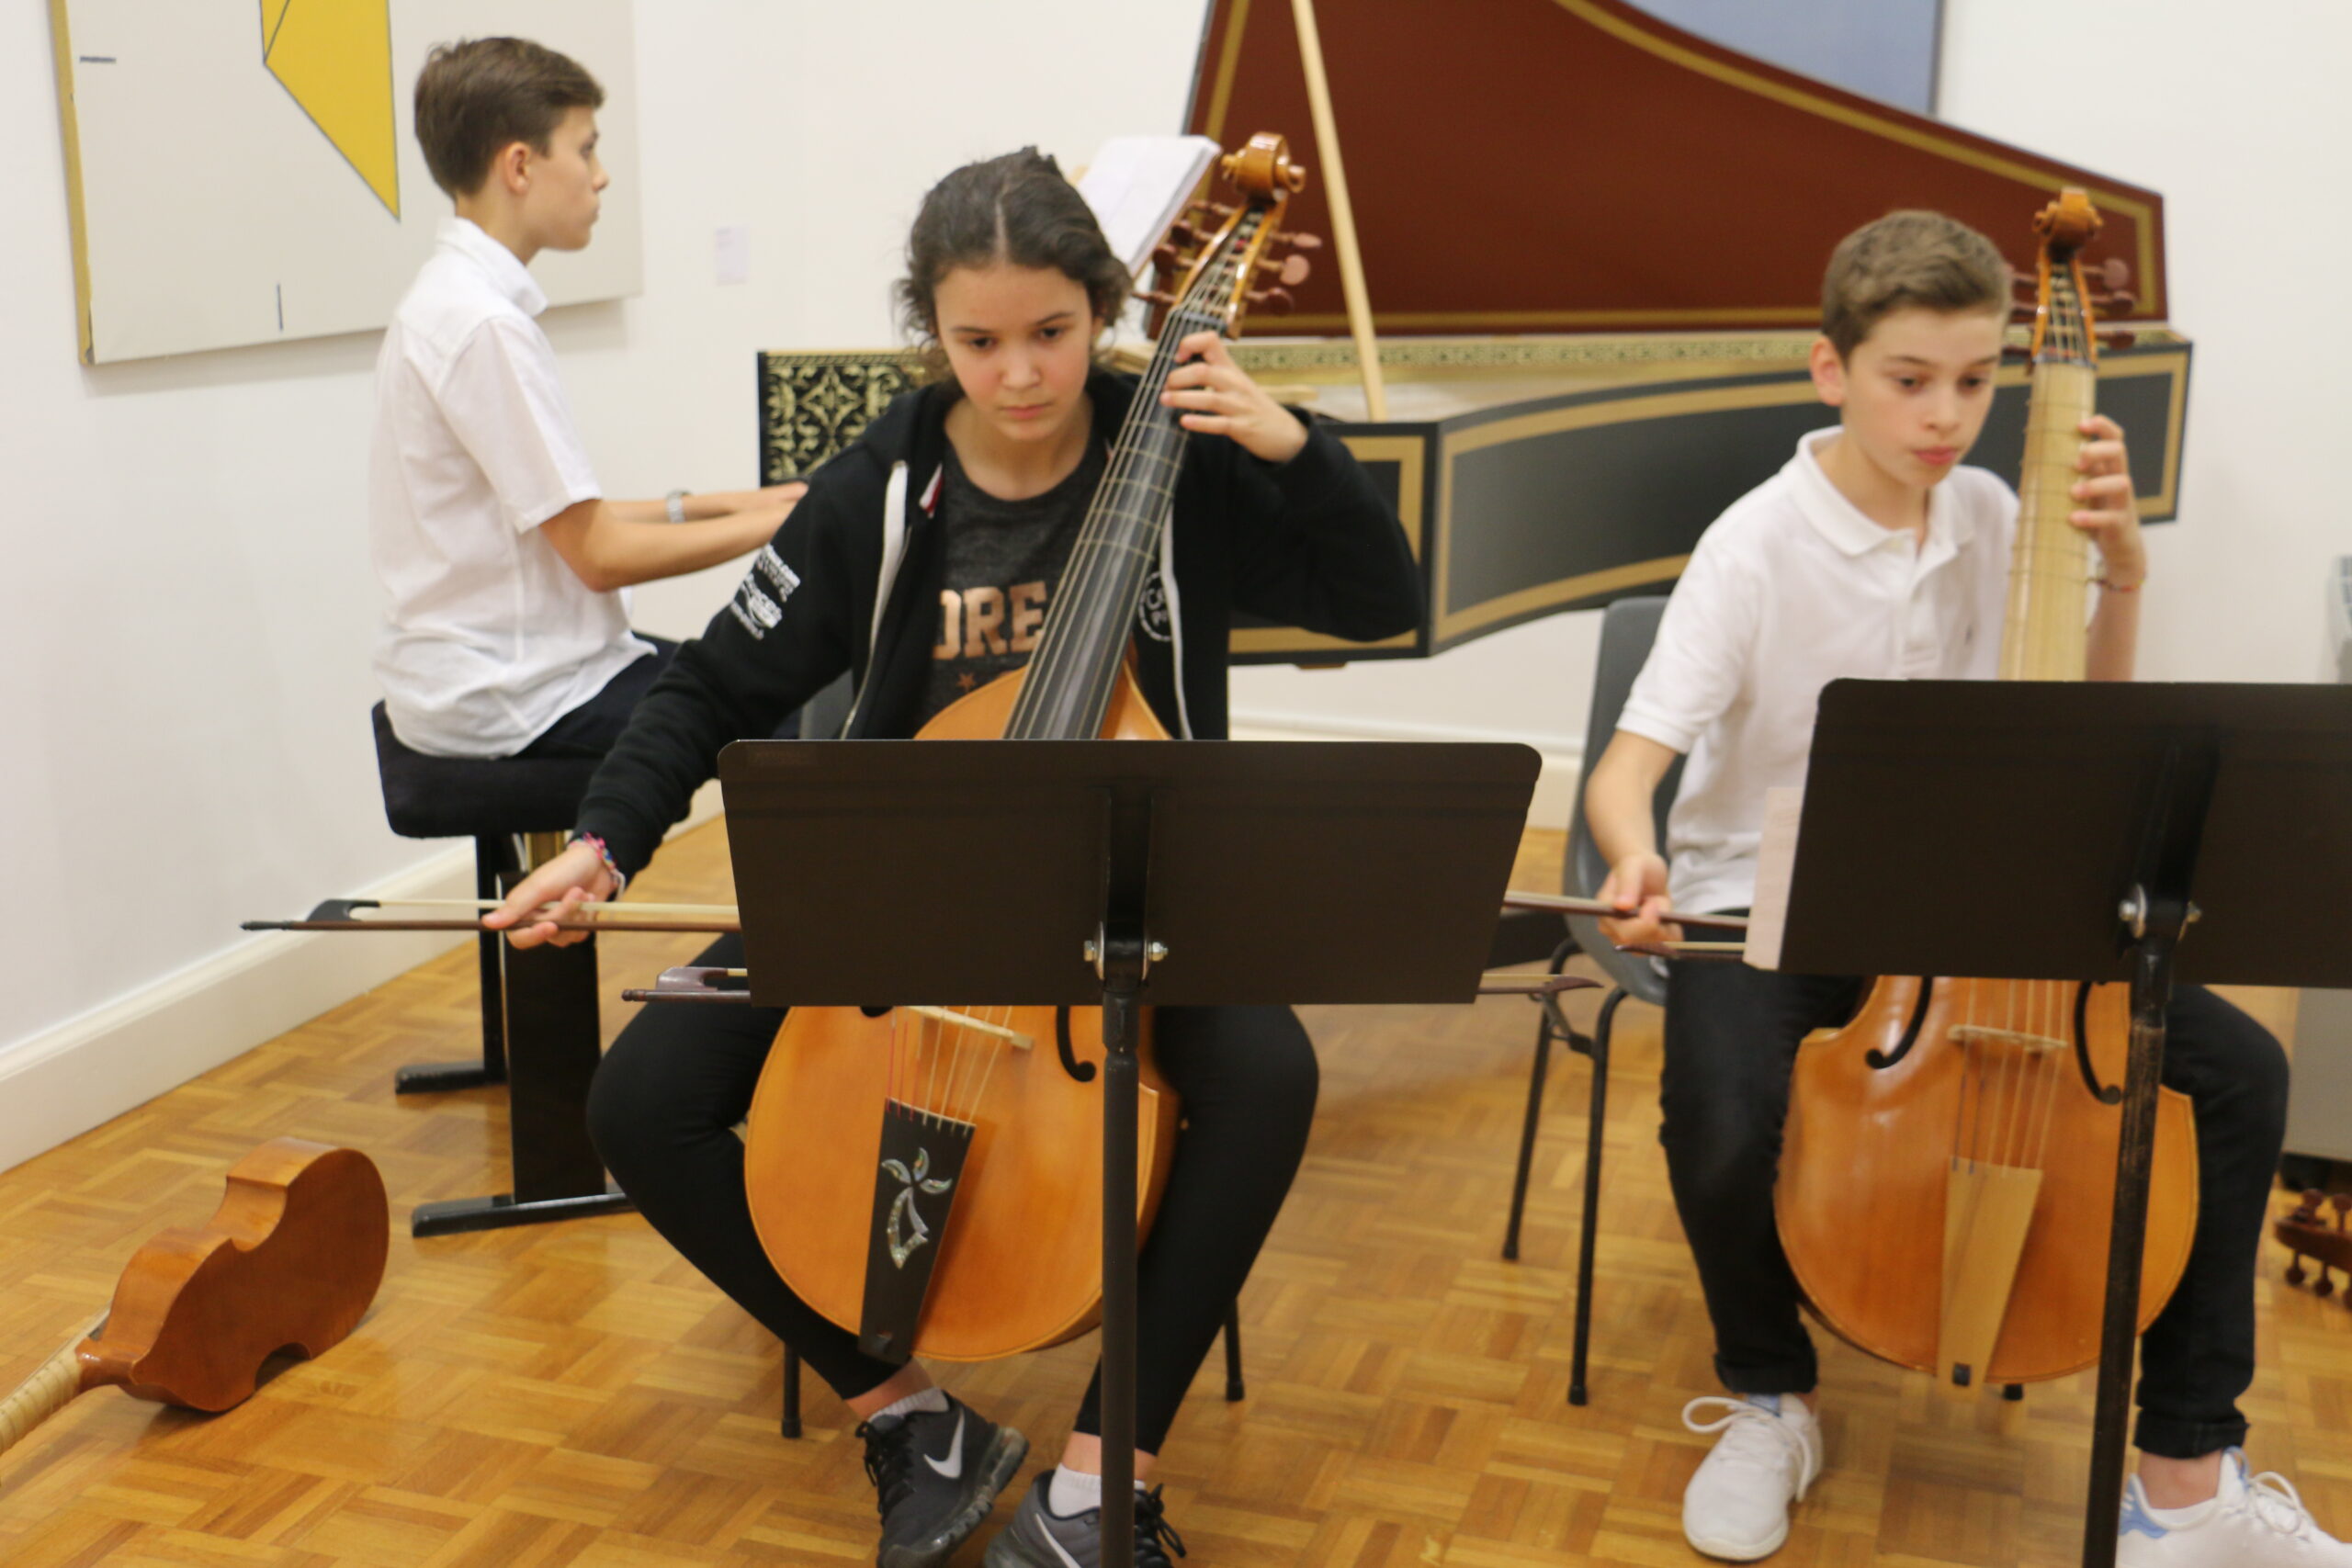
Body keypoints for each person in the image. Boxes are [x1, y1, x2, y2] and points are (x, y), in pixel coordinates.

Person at [486, 149, 1423, 1568]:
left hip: (1126, 889)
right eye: (978, 342)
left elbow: (1380, 600)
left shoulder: (1184, 452)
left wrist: (1299, 447)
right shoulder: (882, 480)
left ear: (1103, 312)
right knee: (644, 1098)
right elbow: (708, 688)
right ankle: (909, 1416)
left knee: (1272, 1076)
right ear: (933, 329)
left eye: (1051, 334)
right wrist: (610, 840)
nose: (1022, 376)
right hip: (906, 891)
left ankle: (1101, 1480)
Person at [1582, 210, 2331, 1566]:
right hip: (1777, 903)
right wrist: (1632, 850)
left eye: (1978, 382)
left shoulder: (1995, 511)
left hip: (1982, 904)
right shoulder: (1754, 543)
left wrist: (2125, 572)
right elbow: (1630, 767)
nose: (1946, 416)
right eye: (1909, 378)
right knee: (1723, 1107)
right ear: (1832, 369)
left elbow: (2089, 721)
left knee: (2235, 1074)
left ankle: (2181, 1476)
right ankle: (1770, 1392)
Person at [372, 37, 803, 761]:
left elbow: (561, 516)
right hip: (514, 696)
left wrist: (735, 503)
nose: (601, 178)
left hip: (476, 673)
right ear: (519, 165)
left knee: (759, 675)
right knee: (799, 716)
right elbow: (599, 554)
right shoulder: (484, 327)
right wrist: (789, 526)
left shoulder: (447, 300)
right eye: (587, 150)